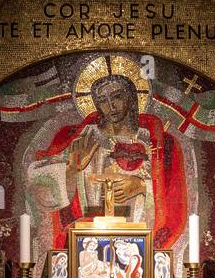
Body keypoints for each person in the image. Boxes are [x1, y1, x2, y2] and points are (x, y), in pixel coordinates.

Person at [27, 66, 186, 254]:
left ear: (132, 98)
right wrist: (71, 169)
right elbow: (39, 194)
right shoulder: (78, 138)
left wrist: (142, 186)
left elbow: (174, 200)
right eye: (102, 100)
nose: (111, 106)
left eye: (117, 96)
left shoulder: (160, 143)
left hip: (137, 248)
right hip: (85, 247)